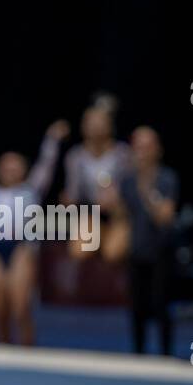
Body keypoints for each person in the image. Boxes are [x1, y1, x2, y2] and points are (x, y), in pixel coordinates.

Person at [0, 119, 68, 345]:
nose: (10, 169)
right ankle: (3, 353)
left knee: (20, 308)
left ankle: (27, 353)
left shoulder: (31, 191)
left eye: (15, 165)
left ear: (24, 169)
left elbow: (46, 164)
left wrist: (52, 139)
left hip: (22, 248)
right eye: (6, 165)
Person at [115, 127, 178, 356]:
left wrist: (146, 189)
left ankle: (165, 354)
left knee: (161, 305)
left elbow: (165, 216)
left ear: (157, 150)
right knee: (137, 308)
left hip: (161, 251)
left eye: (147, 146)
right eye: (137, 147)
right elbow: (119, 214)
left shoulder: (167, 178)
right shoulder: (127, 181)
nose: (141, 152)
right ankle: (138, 354)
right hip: (136, 250)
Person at [61, 100, 132, 263]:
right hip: (91, 214)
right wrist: (68, 201)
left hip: (119, 214)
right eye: (90, 122)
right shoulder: (75, 156)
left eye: (100, 122)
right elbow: (73, 195)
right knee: (79, 249)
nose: (95, 126)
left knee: (112, 253)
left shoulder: (123, 154)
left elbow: (132, 188)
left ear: (110, 125)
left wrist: (118, 201)